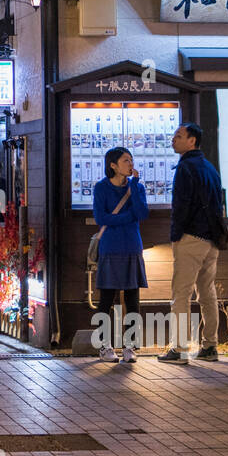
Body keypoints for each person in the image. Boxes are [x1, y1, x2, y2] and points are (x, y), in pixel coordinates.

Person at [159, 122, 225, 364]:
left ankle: (179, 349)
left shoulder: (186, 168)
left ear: (192, 141)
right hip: (212, 239)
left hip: (191, 238)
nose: (173, 139)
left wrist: (176, 236)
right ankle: (210, 346)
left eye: (178, 136)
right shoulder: (209, 167)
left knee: (181, 294)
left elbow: (181, 206)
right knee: (207, 292)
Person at [92, 146, 148, 363]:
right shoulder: (101, 188)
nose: (130, 164)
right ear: (112, 165)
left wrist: (134, 187)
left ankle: (130, 346)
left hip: (132, 245)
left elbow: (142, 213)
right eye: (125, 160)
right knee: (106, 299)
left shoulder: (137, 187)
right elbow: (101, 218)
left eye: (131, 160)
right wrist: (128, 216)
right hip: (110, 247)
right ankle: (104, 346)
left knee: (133, 299)